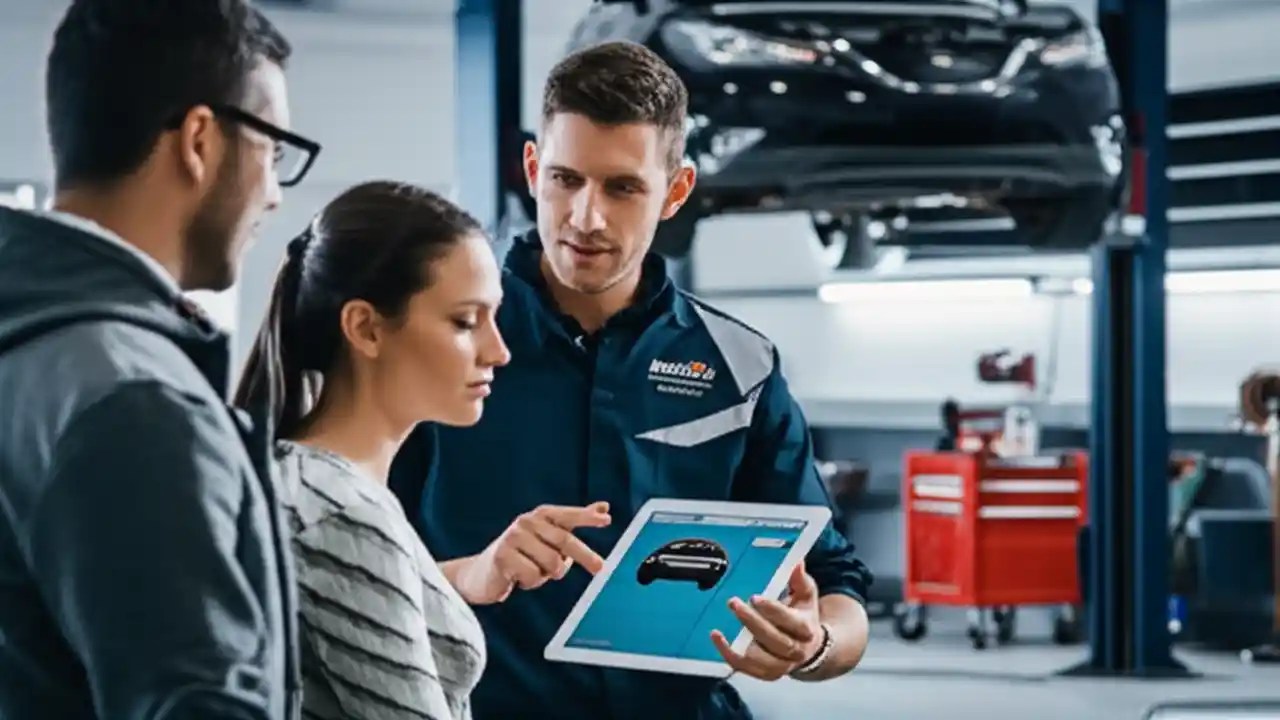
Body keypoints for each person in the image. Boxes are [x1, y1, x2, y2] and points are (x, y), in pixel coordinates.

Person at [389, 40, 873, 720]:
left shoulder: (740, 368)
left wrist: (815, 642)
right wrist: (473, 575)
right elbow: (351, 573)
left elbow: (835, 582)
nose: (587, 217)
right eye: (565, 180)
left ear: (675, 191)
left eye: (622, 187)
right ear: (532, 169)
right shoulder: (435, 341)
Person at [0, 2, 318, 718]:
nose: (272, 191)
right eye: (273, 149)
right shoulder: (137, 400)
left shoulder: (32, 348)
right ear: (199, 140)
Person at [233, 181, 610, 720]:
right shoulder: (347, 511)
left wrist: (469, 575)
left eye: (494, 318)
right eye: (464, 322)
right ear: (365, 328)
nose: (498, 351)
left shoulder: (306, 480)